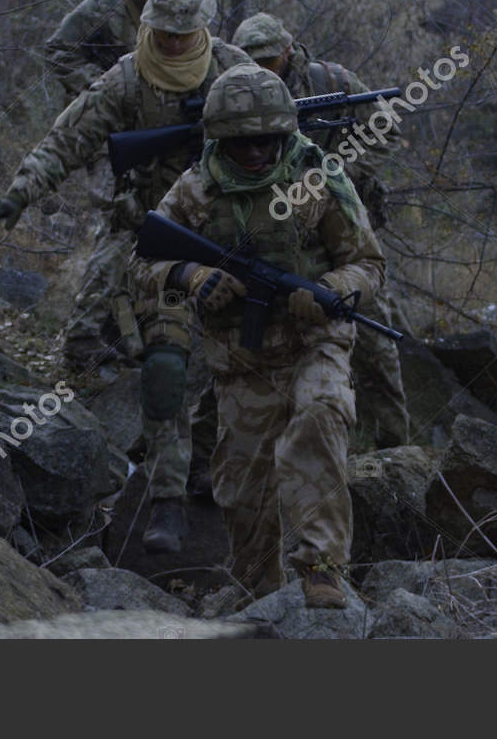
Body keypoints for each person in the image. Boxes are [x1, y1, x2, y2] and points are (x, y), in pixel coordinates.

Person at [0, 0, 252, 554]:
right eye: (163, 33)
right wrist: (17, 196)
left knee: (247, 363)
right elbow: (66, 140)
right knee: (165, 365)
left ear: (201, 26)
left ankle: (216, 472)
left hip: (235, 237)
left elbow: (287, 142)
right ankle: (167, 500)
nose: (171, 43)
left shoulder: (235, 72)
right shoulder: (126, 79)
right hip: (157, 241)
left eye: (182, 34)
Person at [134, 63, 385, 608]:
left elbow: (368, 265)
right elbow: (142, 264)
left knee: (320, 414)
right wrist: (190, 276)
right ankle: (257, 590)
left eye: (265, 140)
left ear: (283, 133)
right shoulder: (195, 189)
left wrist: (329, 289)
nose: (253, 152)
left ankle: (322, 567)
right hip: (241, 359)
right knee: (243, 491)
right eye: (240, 142)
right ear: (219, 139)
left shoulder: (318, 179)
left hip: (315, 340)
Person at [231, 12, 411, 447]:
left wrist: (335, 177)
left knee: (373, 339)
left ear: (288, 51)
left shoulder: (330, 82)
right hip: (265, 233)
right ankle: (226, 456)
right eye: (252, 61)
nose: (261, 69)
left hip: (339, 234)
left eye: (269, 60)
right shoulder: (231, 90)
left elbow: (385, 131)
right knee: (241, 346)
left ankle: (394, 450)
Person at [42, 0, 201, 109]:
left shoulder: (183, 4)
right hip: (111, 113)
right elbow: (57, 50)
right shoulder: (107, 5)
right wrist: (104, 86)